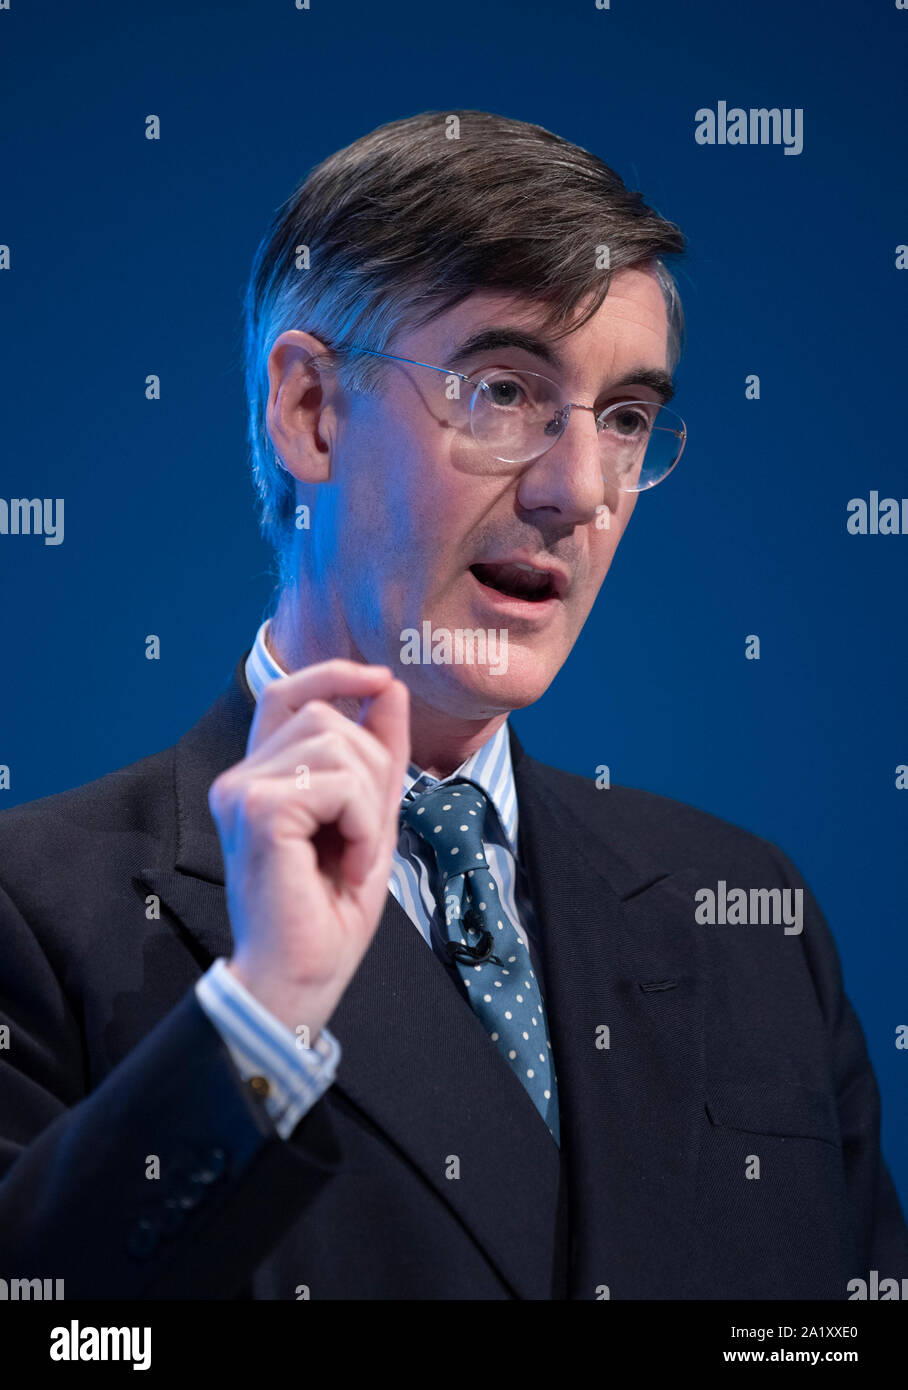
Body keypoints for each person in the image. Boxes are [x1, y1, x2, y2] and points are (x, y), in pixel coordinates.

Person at [0, 109, 905, 1300]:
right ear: (311, 412)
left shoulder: (752, 915)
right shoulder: (32, 913)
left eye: (624, 418)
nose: (579, 489)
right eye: (500, 391)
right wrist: (265, 1016)